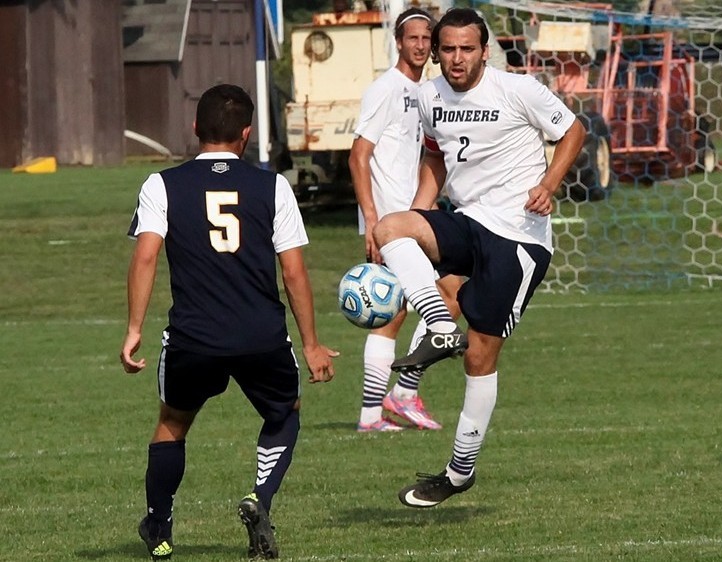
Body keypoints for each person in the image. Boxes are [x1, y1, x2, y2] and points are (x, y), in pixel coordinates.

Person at [371, 8, 585, 507]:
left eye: (467, 49)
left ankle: (460, 471)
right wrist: (418, 223)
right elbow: (435, 158)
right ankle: (438, 327)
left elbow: (573, 131)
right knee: (389, 227)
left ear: (484, 50)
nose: (456, 58)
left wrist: (549, 183)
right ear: (436, 52)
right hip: (470, 221)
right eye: (447, 49)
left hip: (520, 237)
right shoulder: (429, 96)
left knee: (480, 355)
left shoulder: (518, 89)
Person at [121, 84, 338, 559]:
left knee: (173, 424)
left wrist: (135, 329)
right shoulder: (273, 185)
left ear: (195, 128)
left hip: (193, 337)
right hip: (261, 333)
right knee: (284, 412)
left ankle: (159, 530)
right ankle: (259, 498)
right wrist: (312, 344)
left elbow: (145, 258)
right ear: (247, 133)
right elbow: (294, 271)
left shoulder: (162, 184)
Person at [348, 7, 462, 433]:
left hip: (412, 218)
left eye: (425, 39)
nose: (419, 46)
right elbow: (359, 155)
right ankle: (401, 395)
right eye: (412, 38)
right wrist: (374, 221)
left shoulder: (428, 91)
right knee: (439, 302)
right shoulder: (386, 88)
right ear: (398, 42)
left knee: (409, 308)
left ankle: (374, 415)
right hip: (391, 222)